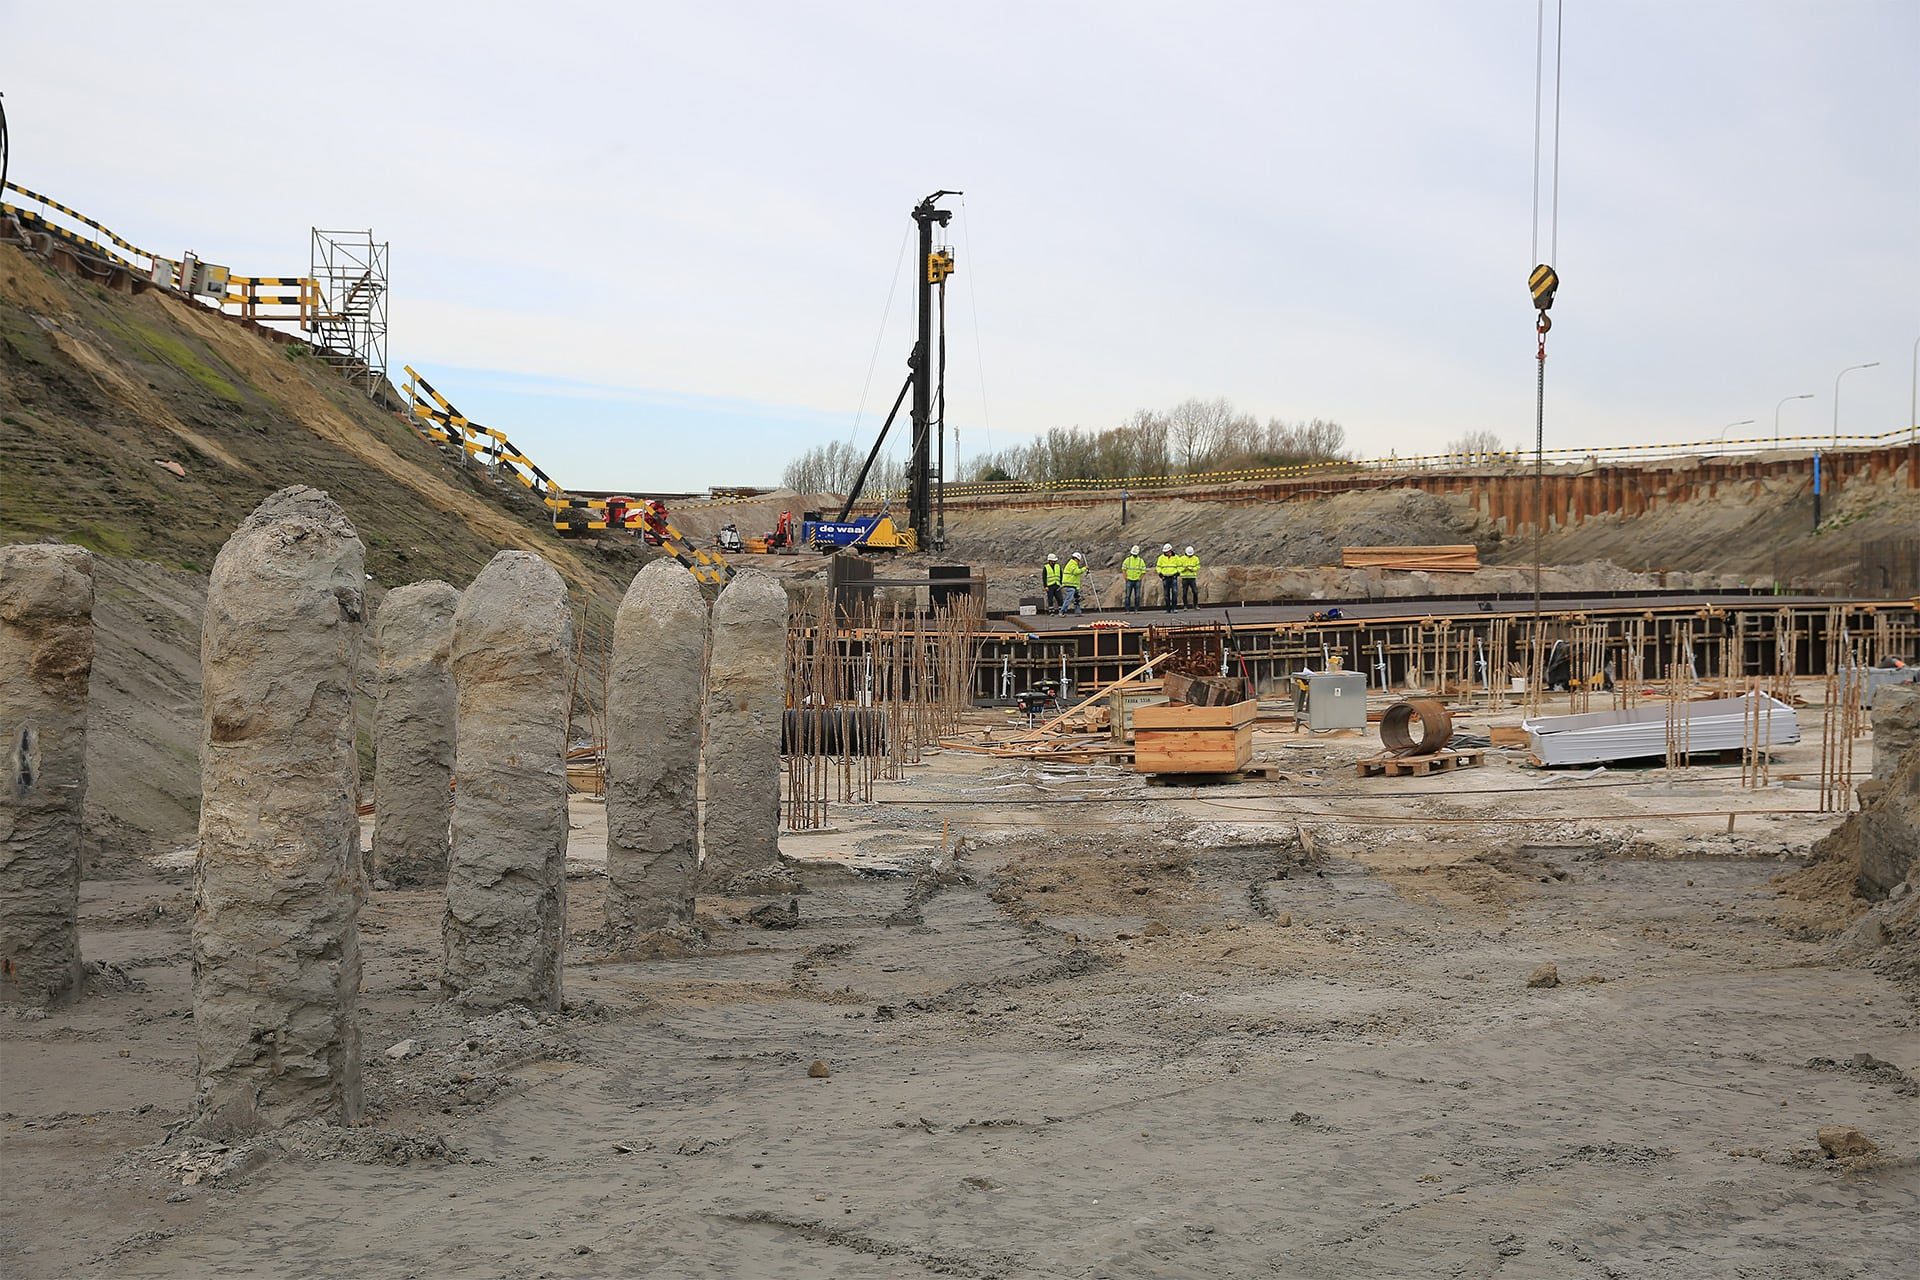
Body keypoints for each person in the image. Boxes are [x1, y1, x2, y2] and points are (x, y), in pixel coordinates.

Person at [1121, 544, 1147, 611]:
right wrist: (1125, 577)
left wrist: (1140, 578)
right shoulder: (1128, 560)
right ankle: (1127, 609)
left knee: (1137, 596)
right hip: (1129, 580)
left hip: (1137, 580)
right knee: (1127, 596)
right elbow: (1124, 569)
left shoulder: (1140, 561)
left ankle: (1136, 609)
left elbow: (1143, 570)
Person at [1156, 543, 1180, 612]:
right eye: (1165, 552)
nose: (1166, 553)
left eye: (1167, 552)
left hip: (1173, 576)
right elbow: (1158, 566)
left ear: (1170, 550)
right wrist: (1160, 573)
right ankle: (1168, 609)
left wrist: (1178, 572)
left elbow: (1180, 566)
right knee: (1166, 593)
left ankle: (1174, 608)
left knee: (1174, 592)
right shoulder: (1161, 558)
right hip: (1165, 577)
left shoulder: (1176, 557)